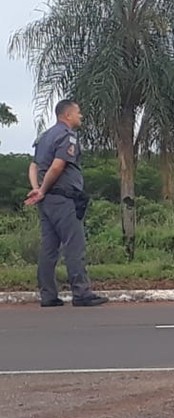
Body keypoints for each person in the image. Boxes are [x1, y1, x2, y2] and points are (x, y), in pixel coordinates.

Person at [25, 99, 108, 307]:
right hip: (63, 199)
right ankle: (81, 293)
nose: (81, 116)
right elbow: (57, 166)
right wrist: (42, 190)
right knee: (74, 245)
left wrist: (37, 189)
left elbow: (34, 165)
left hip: (47, 201)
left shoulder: (44, 137)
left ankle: (48, 295)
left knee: (49, 247)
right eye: (78, 113)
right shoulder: (67, 136)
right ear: (68, 115)